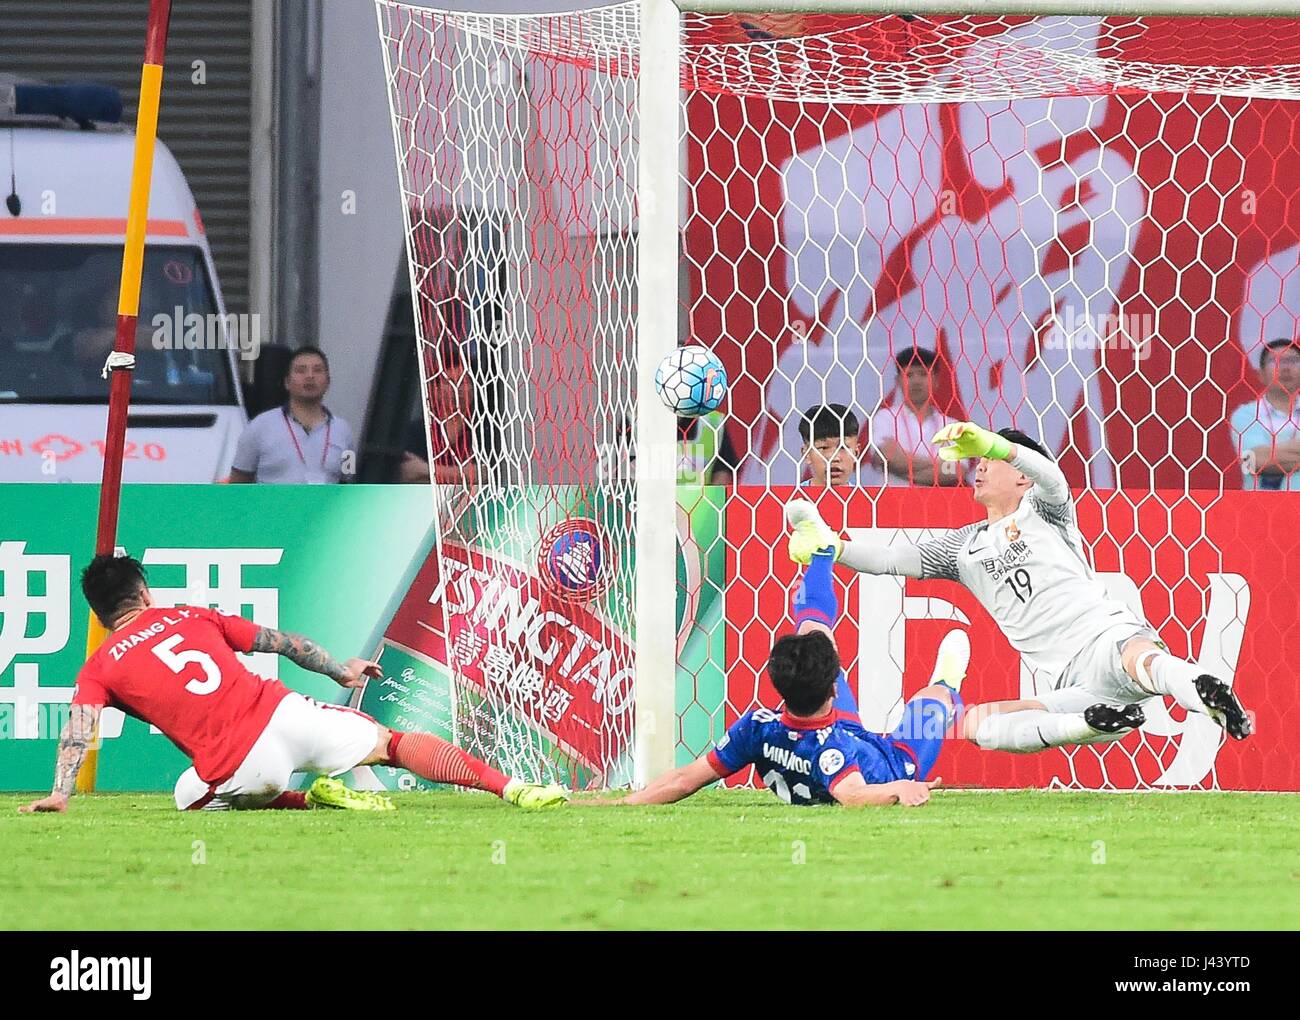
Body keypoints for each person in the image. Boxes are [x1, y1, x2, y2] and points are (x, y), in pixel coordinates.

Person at [785, 422, 1253, 754]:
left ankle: (1204, 692)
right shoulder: (962, 549)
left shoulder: (1046, 512)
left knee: (1139, 658)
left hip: (1106, 639)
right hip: (1069, 687)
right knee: (970, 725)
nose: (980, 467)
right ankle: (1087, 725)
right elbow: (891, 558)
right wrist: (833, 546)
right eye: (982, 460)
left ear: (1021, 476)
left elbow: (1055, 476)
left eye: (992, 460)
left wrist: (997, 443)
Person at [19, 554, 568, 815]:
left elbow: (79, 731)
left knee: (188, 794)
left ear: (99, 613)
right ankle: (511, 788)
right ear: (144, 594)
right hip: (286, 715)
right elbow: (283, 643)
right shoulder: (192, 615)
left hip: (240, 768)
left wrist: (60, 793)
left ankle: (307, 800)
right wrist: (341, 671)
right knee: (390, 744)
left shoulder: (99, 666)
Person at [611, 546, 955, 807]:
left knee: (811, 628)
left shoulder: (756, 726)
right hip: (892, 761)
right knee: (937, 700)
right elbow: (853, 794)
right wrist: (900, 787)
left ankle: (822, 549)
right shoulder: (829, 752)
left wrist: (622, 805)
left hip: (839, 729)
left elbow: (686, 780)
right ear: (835, 689)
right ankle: (946, 680)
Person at [230, 346, 354, 484]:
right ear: (287, 382)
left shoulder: (344, 432)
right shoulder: (259, 427)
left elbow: (347, 482)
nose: (310, 376)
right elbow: (238, 482)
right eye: (301, 370)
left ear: (328, 382)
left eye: (317, 370)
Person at [872, 346, 963, 487]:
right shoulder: (885, 418)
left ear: (936, 380)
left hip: (938, 505)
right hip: (892, 504)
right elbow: (886, 456)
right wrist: (937, 464)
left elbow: (956, 470)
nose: (916, 381)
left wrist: (903, 470)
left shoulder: (952, 426)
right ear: (897, 381)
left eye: (923, 373)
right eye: (909, 375)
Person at [1230, 337, 1300, 491]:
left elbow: (1263, 459)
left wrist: (1272, 456)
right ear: (1260, 374)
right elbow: (1251, 463)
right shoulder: (1246, 414)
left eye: (1293, 360)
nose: (1285, 368)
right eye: (1275, 361)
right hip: (1260, 509)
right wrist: (1261, 459)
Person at [399, 361, 477, 485]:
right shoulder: (416, 431)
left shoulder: (483, 431)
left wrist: (424, 469)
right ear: (436, 390)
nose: (457, 389)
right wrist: (459, 475)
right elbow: (408, 473)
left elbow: (480, 474)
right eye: (449, 382)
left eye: (464, 382)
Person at [798, 403, 861, 488]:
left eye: (843, 447)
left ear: (856, 453)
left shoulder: (868, 500)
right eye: (823, 448)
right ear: (806, 454)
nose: (834, 458)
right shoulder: (792, 499)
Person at [677, 410, 740, 485]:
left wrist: (713, 494)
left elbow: (724, 470)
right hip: (661, 495)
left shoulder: (713, 422)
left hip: (701, 496)